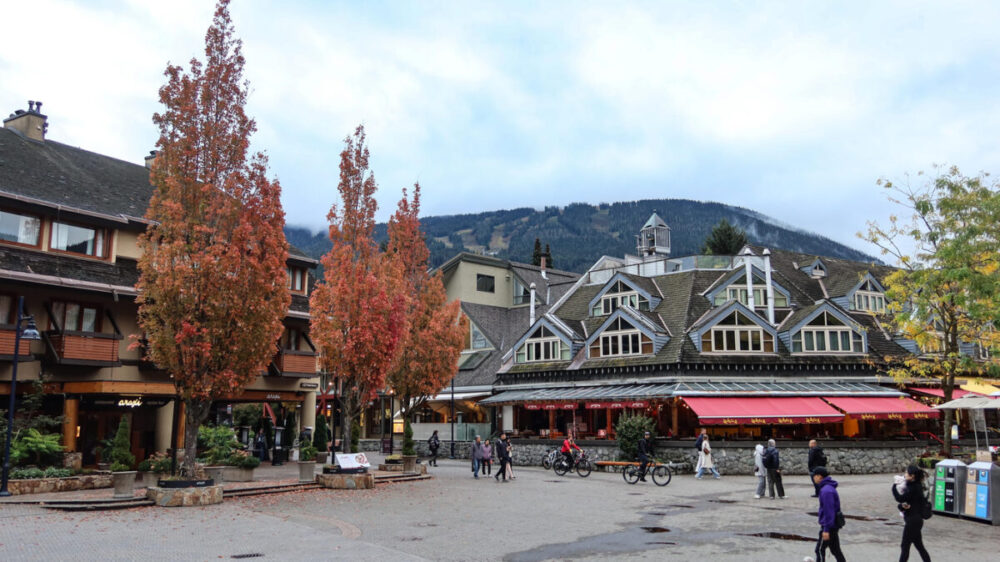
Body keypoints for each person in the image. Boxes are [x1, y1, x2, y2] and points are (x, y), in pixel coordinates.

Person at [892, 465, 932, 562]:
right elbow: (906, 504)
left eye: (906, 473)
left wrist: (893, 487)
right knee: (919, 546)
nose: (905, 475)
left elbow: (900, 499)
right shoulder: (914, 486)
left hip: (913, 521)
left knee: (905, 546)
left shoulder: (914, 487)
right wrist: (902, 506)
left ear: (912, 476)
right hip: (916, 520)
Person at [807, 466, 846, 562]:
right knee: (835, 550)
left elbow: (829, 511)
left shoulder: (826, 491)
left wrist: (826, 529)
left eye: (814, 476)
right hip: (833, 524)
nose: (813, 478)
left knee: (819, 550)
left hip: (829, 525)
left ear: (819, 476)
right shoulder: (827, 488)